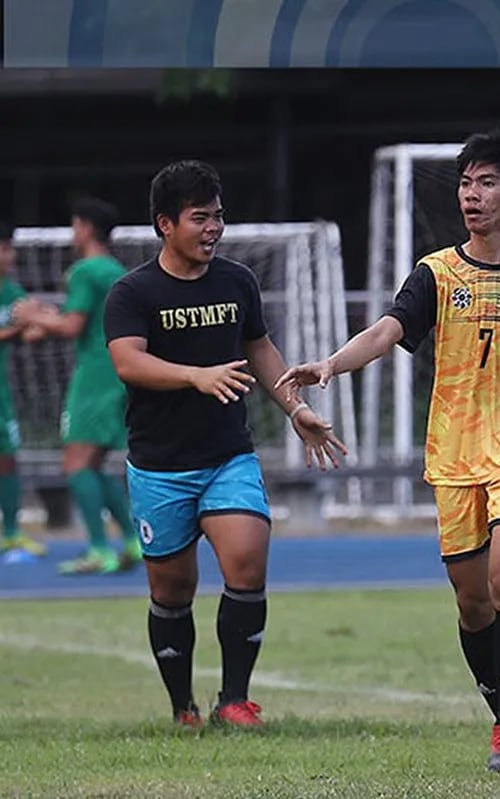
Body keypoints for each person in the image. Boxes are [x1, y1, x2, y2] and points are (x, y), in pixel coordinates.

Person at [275, 130, 500, 774]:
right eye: (465, 184)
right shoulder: (436, 271)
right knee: (472, 600)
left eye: (485, 184)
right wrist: (332, 364)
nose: (471, 196)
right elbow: (391, 328)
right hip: (453, 451)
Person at [104, 160, 345, 729]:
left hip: (227, 456)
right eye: (199, 218)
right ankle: (182, 707)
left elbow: (259, 348)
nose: (213, 228)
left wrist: (296, 407)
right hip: (160, 465)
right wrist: (195, 375)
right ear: (165, 224)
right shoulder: (132, 291)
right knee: (172, 587)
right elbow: (127, 361)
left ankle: (234, 699)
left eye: (218, 216)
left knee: (246, 561)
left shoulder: (237, 281)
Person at [13, 198, 140, 574]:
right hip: (117, 371)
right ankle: (133, 541)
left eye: (74, 225)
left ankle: (98, 550)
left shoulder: (85, 270)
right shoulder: (113, 269)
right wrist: (46, 322)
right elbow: (79, 320)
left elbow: (71, 327)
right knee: (95, 463)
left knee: (75, 463)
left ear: (85, 227)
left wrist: (33, 315)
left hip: (95, 376)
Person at [0, 221, 46, 563]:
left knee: (7, 460)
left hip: (1, 393)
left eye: (9, 248)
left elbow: (30, 328)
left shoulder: (11, 291)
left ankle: (12, 534)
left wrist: (43, 320)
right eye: (2, 249)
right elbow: (15, 329)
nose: (7, 256)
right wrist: (17, 328)